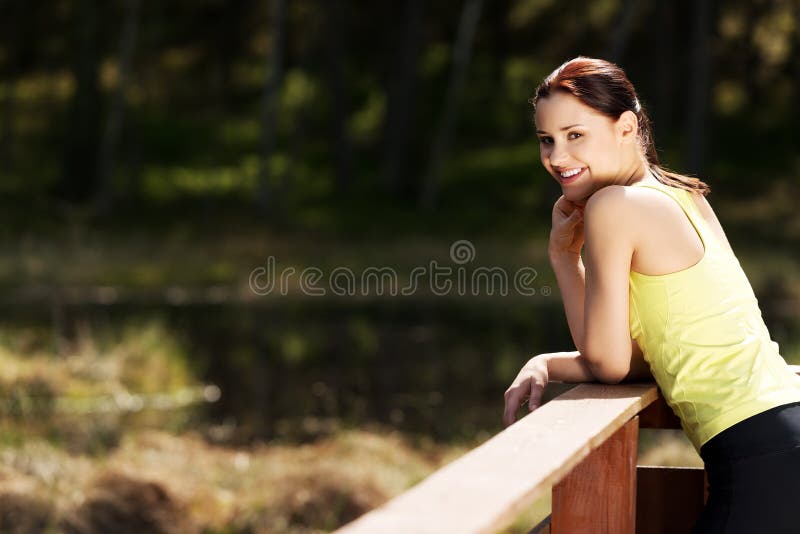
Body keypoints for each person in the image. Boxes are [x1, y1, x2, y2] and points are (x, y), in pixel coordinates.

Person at [502, 56, 800, 533]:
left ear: (625, 127)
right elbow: (655, 354)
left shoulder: (612, 206)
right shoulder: (682, 193)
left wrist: (562, 259)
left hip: (761, 456)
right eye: (547, 140)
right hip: (781, 433)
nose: (557, 158)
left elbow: (608, 363)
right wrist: (550, 362)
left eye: (575, 135)